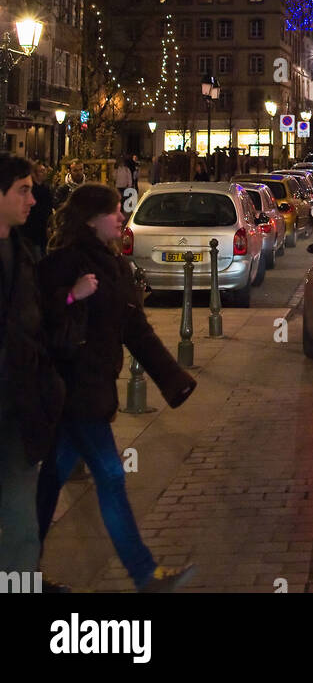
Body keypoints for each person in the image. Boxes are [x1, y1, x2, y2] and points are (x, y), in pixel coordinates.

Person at [37, 185, 197, 592]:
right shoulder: (66, 262)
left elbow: (135, 329)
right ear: (91, 218)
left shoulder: (114, 266)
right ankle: (145, 573)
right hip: (73, 389)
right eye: (113, 213)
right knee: (110, 475)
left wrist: (172, 380)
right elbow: (39, 315)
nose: (121, 218)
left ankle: (21, 569)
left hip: (91, 388)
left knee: (51, 479)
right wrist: (73, 297)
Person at [0, 157, 65, 582]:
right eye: (22, 189)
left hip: (18, 407)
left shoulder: (20, 251)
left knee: (22, 524)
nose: (33, 197)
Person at [22, 162, 54, 260]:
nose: (44, 173)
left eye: (45, 171)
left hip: (43, 227)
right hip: (32, 227)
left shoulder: (46, 188)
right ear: (34, 173)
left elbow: (49, 207)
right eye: (41, 171)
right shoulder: (30, 189)